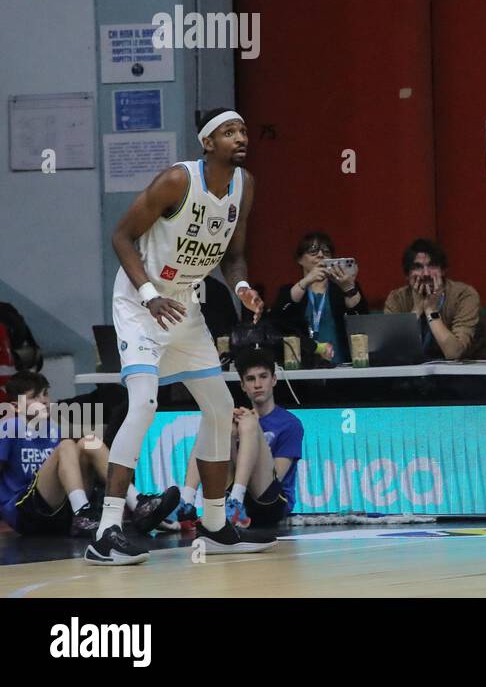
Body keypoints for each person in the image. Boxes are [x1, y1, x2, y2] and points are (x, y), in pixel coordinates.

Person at [88, 108, 277, 565]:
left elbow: (234, 255)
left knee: (218, 406)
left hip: (184, 307)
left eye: (244, 130)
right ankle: (106, 531)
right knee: (145, 402)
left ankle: (213, 524)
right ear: (207, 144)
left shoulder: (243, 187)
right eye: (229, 132)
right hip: (139, 304)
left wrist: (243, 288)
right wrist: (149, 293)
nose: (240, 137)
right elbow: (121, 236)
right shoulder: (177, 181)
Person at [0, 372, 172, 539]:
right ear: (16, 406)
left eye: (45, 394)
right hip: (22, 511)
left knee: (89, 441)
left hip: (58, 510)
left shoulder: (53, 429)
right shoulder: (9, 426)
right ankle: (82, 512)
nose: (44, 401)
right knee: (67, 445)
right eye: (34, 397)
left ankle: (138, 505)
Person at [174, 347, 303, 532]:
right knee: (216, 421)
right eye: (251, 379)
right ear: (243, 385)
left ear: (274, 380)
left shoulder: (290, 424)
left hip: (269, 502)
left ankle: (236, 501)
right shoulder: (238, 419)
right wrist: (232, 435)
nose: (257, 384)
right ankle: (186, 502)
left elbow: (277, 476)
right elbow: (231, 470)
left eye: (263, 377)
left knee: (249, 423)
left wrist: (252, 430)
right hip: (234, 494)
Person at [271, 231, 368, 365]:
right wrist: (307, 281)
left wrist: (348, 287)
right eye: (313, 251)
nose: (321, 255)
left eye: (326, 252)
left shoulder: (340, 288)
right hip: (302, 366)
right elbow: (278, 318)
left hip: (341, 364)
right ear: (300, 259)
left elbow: (361, 318)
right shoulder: (289, 290)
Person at [383, 240, 486, 360]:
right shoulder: (396, 299)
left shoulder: (464, 295)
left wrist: (431, 310)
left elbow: (453, 353)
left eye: (432, 266)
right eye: (418, 267)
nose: (426, 274)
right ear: (407, 274)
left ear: (443, 271)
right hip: (411, 373)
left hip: (461, 373)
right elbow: (392, 352)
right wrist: (416, 310)